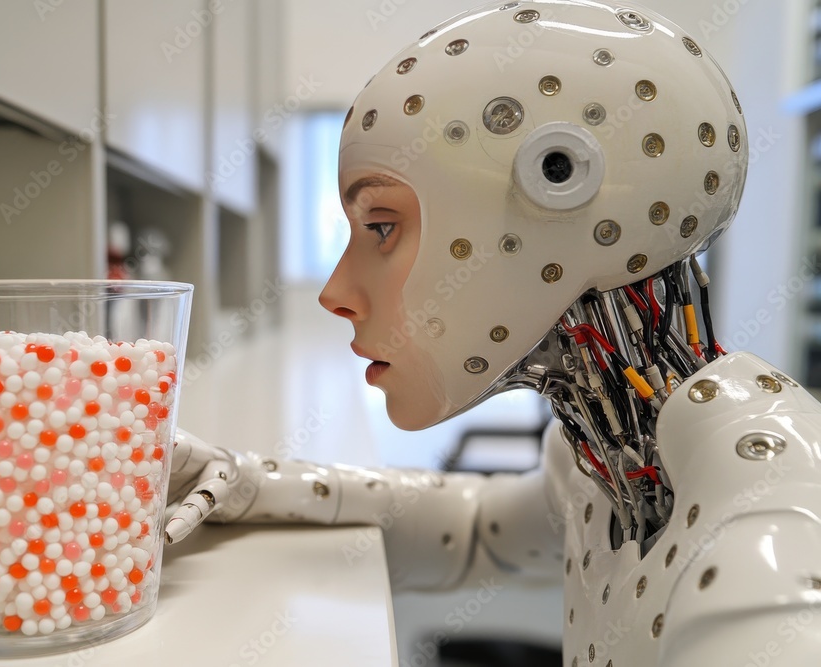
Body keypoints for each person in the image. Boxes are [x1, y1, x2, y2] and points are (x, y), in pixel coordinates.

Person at [166, 2, 821, 664]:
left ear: (559, 182)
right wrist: (249, 482)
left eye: (383, 227)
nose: (336, 292)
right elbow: (478, 529)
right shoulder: (601, 458)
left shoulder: (772, 541)